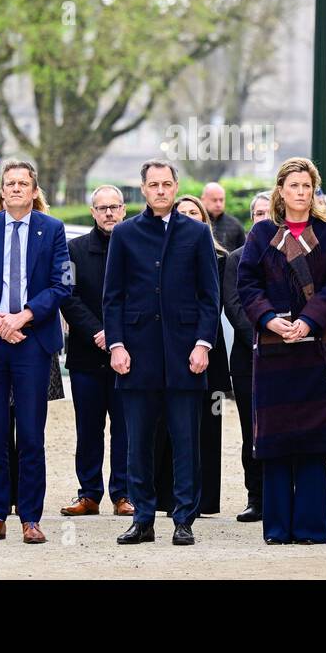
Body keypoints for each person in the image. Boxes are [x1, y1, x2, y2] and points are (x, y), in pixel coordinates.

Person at [104, 159, 220, 547]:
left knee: (186, 441)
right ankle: (142, 517)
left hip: (186, 352)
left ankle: (184, 518)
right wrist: (117, 345)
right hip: (136, 353)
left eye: (166, 184)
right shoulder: (125, 233)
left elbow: (210, 295)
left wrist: (204, 343)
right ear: (143, 188)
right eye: (153, 184)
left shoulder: (197, 232)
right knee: (138, 444)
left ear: (175, 186)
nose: (160, 190)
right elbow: (113, 297)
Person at [238, 157, 326, 545]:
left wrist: (310, 319)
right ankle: (276, 528)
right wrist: (268, 318)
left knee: (312, 439)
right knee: (274, 439)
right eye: (294, 186)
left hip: (314, 347)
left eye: (307, 186)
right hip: (273, 347)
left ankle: (310, 527)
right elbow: (247, 284)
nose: (301, 193)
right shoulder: (261, 233)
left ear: (314, 190)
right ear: (280, 191)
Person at [0, 159, 71, 545]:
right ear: (1, 191)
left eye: (24, 183)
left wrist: (23, 317)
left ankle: (31, 517)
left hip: (32, 343)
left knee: (32, 435)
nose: (17, 189)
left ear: (34, 190)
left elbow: (61, 286)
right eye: (10, 183)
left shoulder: (51, 230)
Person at [59, 185, 133, 517]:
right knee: (88, 428)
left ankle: (123, 493)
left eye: (114, 207)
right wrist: (98, 332)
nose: (108, 213)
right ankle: (89, 493)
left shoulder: (137, 248)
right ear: (92, 212)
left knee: (125, 428)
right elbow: (67, 295)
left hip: (128, 356)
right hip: (87, 355)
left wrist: (119, 335)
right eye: (101, 208)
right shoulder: (72, 250)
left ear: (124, 210)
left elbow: (146, 295)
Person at [175, 193, 232, 516]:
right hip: (170, 349)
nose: (187, 217)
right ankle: (172, 496)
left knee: (209, 426)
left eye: (193, 212)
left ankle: (207, 497)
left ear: (203, 220)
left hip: (208, 347)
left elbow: (215, 305)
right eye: (181, 212)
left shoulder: (220, 258)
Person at [222, 192, 271, 522]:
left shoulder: (290, 254)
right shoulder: (236, 258)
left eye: (269, 212)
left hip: (287, 355)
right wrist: (261, 334)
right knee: (250, 430)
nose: (263, 217)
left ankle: (283, 492)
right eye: (258, 213)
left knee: (284, 426)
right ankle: (256, 496)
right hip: (248, 356)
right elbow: (234, 304)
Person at [201, 182, 246, 252]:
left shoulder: (235, 224)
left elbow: (243, 253)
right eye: (214, 200)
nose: (218, 204)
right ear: (203, 200)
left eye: (221, 200)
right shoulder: (198, 222)